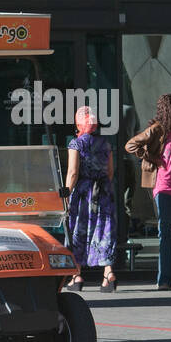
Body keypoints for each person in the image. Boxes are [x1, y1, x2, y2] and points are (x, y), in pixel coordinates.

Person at [126, 93, 171, 291]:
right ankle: (165, 280)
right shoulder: (158, 129)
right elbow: (131, 145)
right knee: (166, 234)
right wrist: (152, 157)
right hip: (163, 188)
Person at [64, 106, 117, 292]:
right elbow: (110, 172)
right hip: (103, 191)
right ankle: (108, 274)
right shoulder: (106, 144)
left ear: (78, 123)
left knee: (78, 230)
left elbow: (73, 172)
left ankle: (76, 276)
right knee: (104, 230)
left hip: (83, 193)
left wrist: (67, 193)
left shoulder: (76, 143)